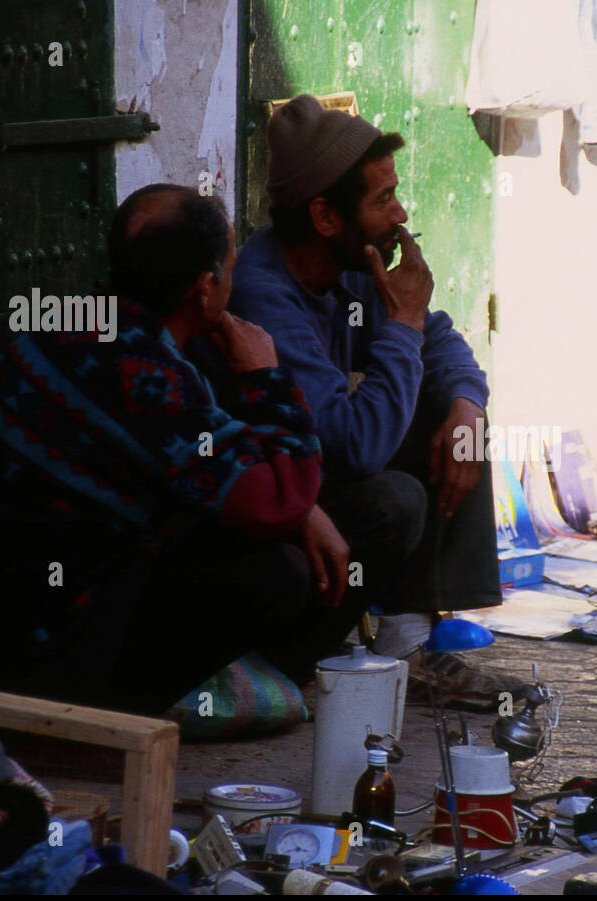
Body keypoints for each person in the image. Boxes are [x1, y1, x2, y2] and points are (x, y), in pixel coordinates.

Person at [0, 184, 423, 715]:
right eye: (228, 268)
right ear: (205, 288)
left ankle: (235, 678)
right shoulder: (146, 375)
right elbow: (277, 495)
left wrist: (302, 511)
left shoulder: (68, 327)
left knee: (374, 507)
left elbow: (218, 469)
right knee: (278, 574)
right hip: (39, 654)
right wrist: (267, 379)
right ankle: (150, 709)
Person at [209, 94, 522, 709]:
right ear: (325, 217)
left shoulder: (355, 266)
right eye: (383, 200)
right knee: (393, 496)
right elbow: (352, 446)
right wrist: (402, 325)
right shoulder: (264, 293)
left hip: (316, 480)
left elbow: (440, 341)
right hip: (274, 507)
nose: (401, 212)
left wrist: (467, 407)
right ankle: (313, 659)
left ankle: (410, 640)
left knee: (453, 411)